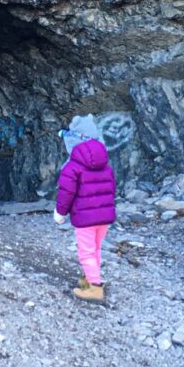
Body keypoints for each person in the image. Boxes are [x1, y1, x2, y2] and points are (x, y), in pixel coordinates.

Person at [53, 115, 116, 303]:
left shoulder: (72, 167)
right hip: (104, 217)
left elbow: (66, 192)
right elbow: (112, 189)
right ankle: (91, 278)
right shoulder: (105, 164)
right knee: (95, 248)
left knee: (86, 251)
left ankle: (95, 288)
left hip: (85, 218)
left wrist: (60, 213)